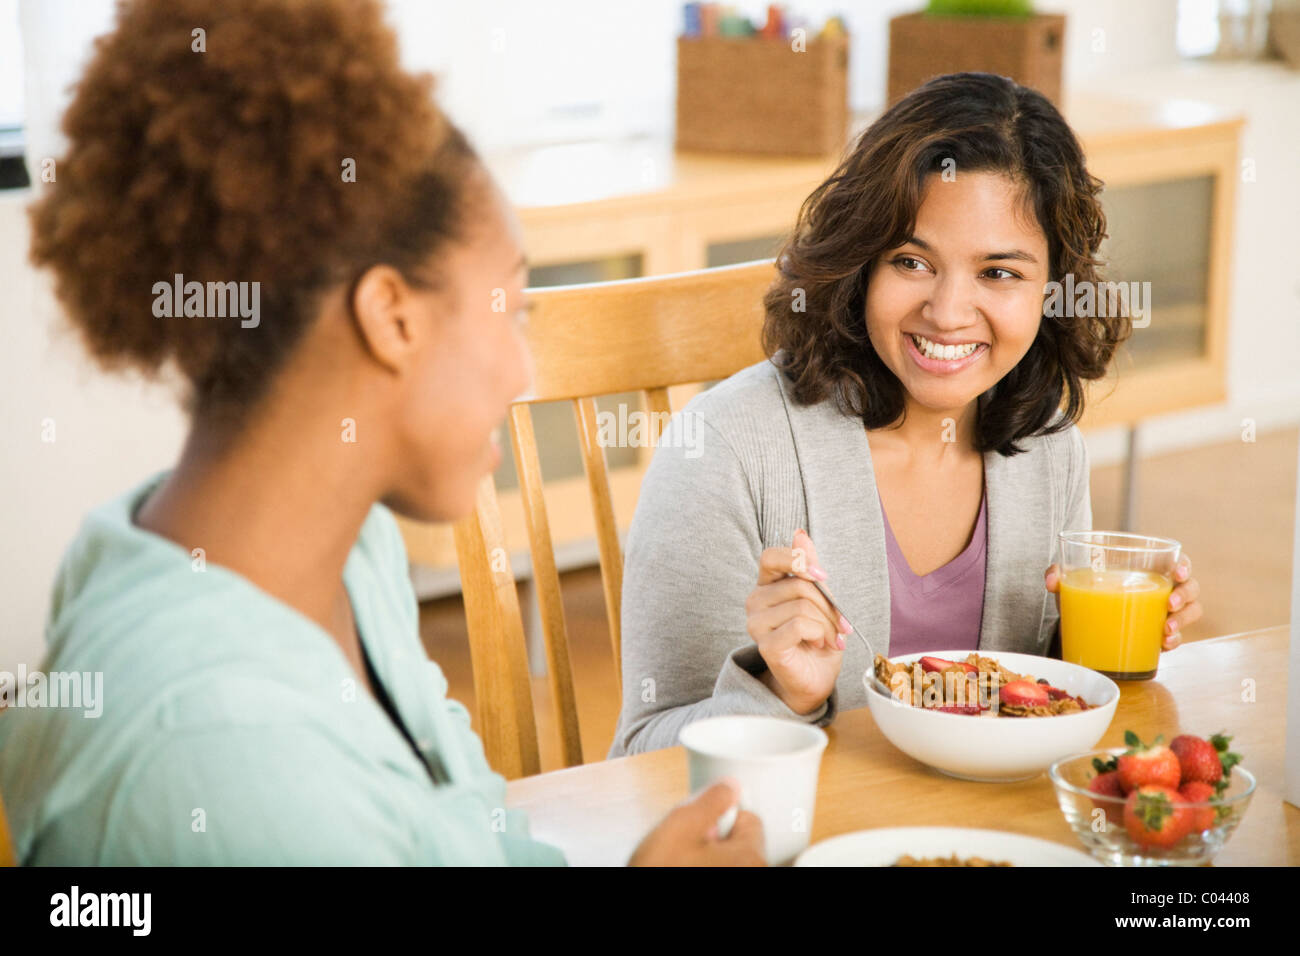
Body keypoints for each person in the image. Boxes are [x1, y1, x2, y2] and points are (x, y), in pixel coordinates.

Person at [0, 0, 762, 866]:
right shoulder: (214, 763)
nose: (526, 373)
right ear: (390, 315)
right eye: (507, 308)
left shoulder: (343, 556)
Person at [611, 72, 1203, 757]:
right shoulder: (725, 449)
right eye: (913, 262)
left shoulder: (1046, 444)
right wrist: (782, 695)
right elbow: (641, 762)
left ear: (1054, 290)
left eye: (1000, 273)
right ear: (861, 263)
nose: (948, 313)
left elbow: (1026, 712)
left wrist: (1090, 649)